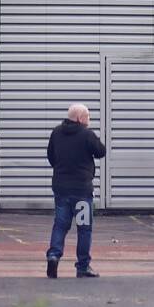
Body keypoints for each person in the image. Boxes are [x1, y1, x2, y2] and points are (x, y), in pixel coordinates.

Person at [45, 103, 105, 280]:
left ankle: (53, 255)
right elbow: (101, 151)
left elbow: (51, 156)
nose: (89, 120)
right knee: (84, 229)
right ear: (80, 118)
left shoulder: (56, 132)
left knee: (61, 224)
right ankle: (83, 266)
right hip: (81, 191)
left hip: (61, 188)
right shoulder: (87, 134)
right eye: (88, 117)